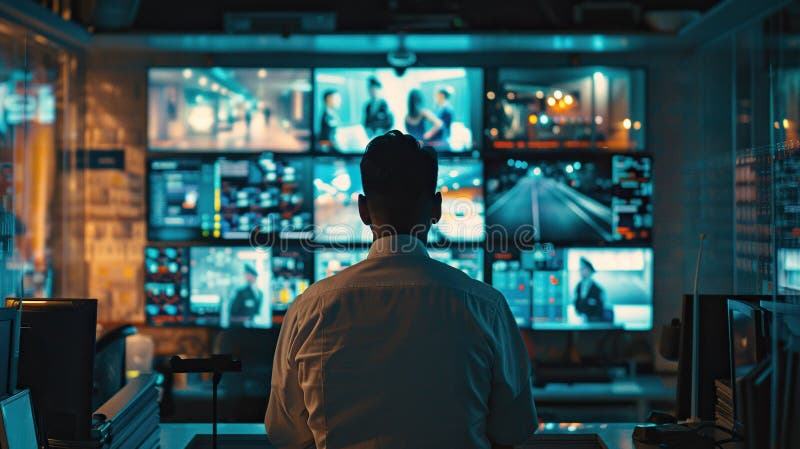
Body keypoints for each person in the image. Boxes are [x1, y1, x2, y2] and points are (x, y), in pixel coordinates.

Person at [266, 130, 537, 449]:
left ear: (363, 210)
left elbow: (285, 433)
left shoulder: (309, 308)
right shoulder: (485, 306)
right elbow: (514, 428)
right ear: (436, 208)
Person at [574, 257, 610, 322]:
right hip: (581, 320)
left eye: (583, 268)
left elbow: (600, 307)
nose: (581, 270)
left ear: (589, 270)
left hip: (594, 321)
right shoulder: (578, 286)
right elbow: (576, 302)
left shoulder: (598, 289)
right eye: (580, 268)